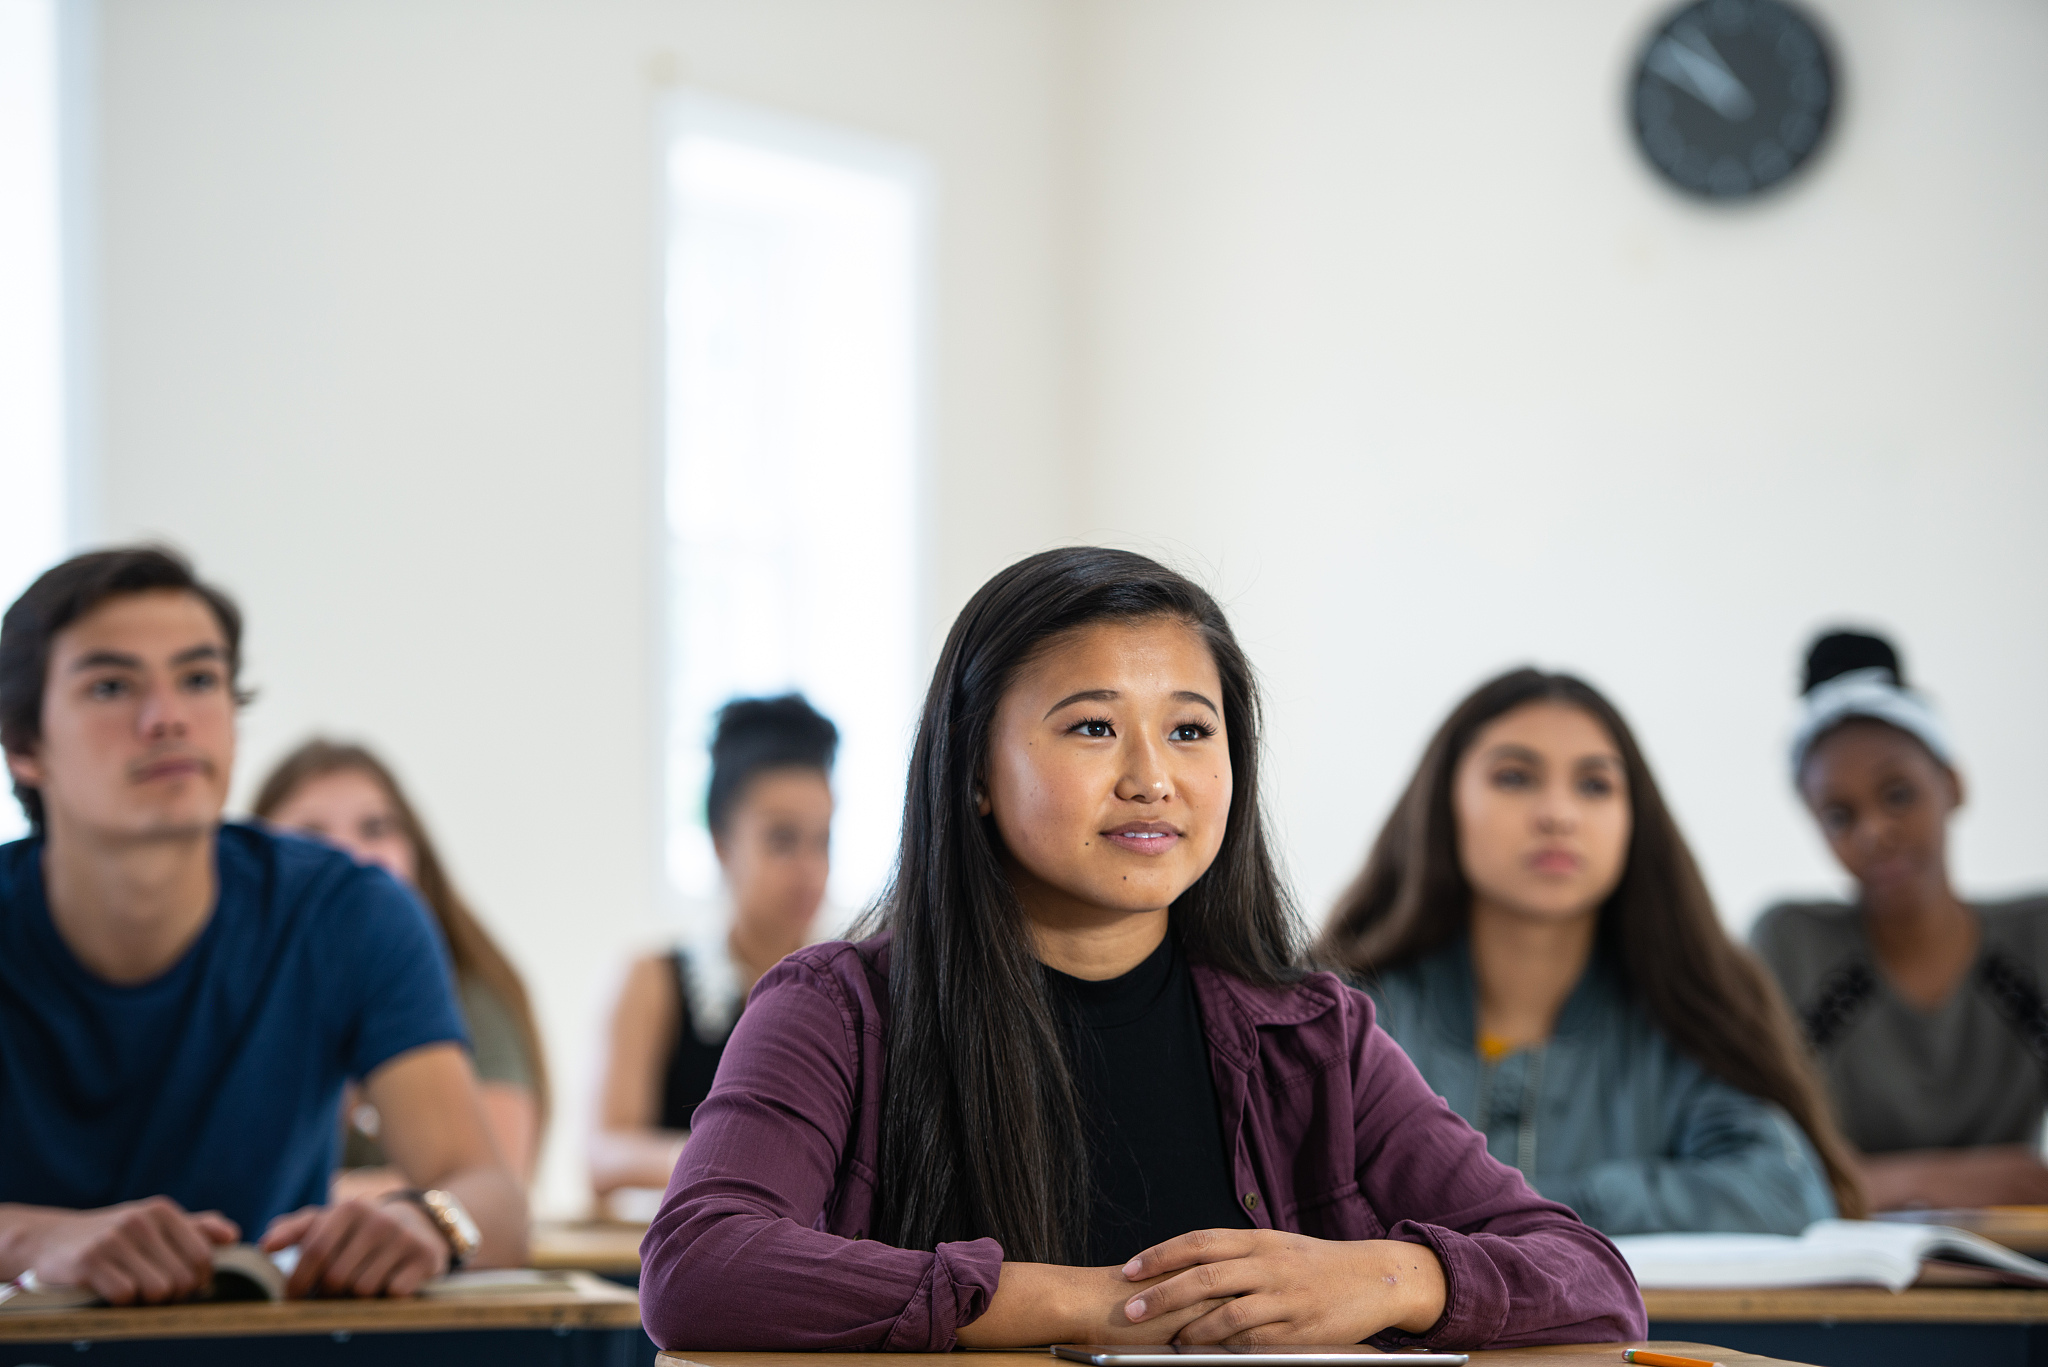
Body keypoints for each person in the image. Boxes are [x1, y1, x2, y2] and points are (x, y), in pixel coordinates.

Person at [638, 548, 1643, 1352]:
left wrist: (1385, 1275)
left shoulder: (1308, 1035)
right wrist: (1083, 1305)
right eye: (1090, 727)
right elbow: (698, 1265)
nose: (1151, 778)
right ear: (974, 770)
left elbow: (1586, 1275)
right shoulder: (834, 1007)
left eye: (1191, 731)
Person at [0, 547, 526, 1304]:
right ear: (24, 747)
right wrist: (38, 1238)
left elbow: (493, 1199)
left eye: (200, 678)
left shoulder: (347, 910)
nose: (168, 717)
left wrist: (425, 1221)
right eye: (112, 685)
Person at [1318, 668, 1861, 1236]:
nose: (1558, 813)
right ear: (1443, 803)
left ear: (1633, 821)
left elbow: (1786, 1195)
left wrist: (1526, 1215)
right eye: (1515, 777)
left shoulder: (1688, 1016)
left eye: (1594, 785)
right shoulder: (1339, 1016)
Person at [1752, 630, 2048, 1209]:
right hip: (1852, 1276)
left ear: (1953, 786)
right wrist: (1957, 1180)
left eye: (1898, 794)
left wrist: (1864, 1181)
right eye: (1840, 815)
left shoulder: (2035, 940)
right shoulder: (1792, 947)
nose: (1873, 832)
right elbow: (1762, 1173)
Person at [253, 739, 549, 1192]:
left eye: (375, 828)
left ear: (417, 853)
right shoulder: (233, 1000)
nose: (348, 855)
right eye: (311, 835)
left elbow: (496, 1186)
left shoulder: (468, 994)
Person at [589, 694, 836, 1207]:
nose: (809, 867)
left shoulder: (851, 986)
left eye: (823, 841)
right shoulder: (656, 979)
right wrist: (739, 1158)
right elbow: (602, 1154)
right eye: (782, 840)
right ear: (722, 842)